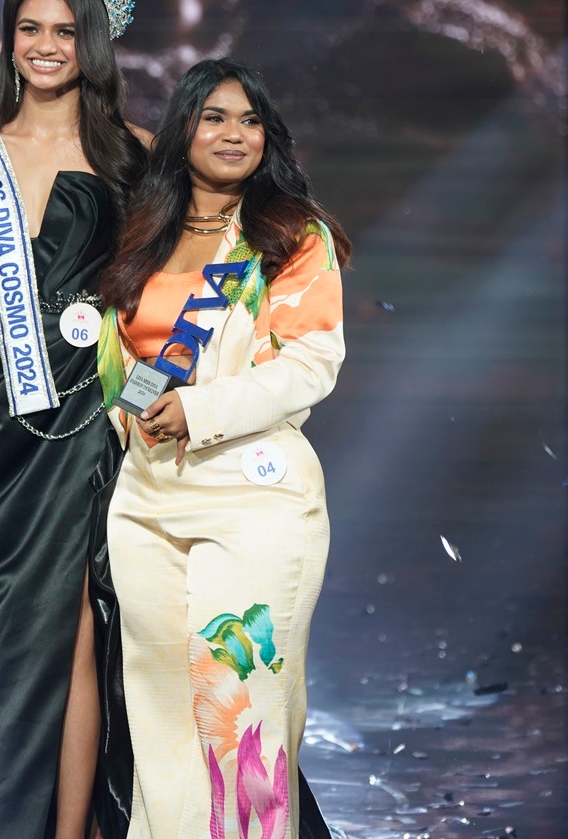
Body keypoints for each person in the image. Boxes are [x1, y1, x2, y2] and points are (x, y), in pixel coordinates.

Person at [96, 58, 351, 838]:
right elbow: (123, 354)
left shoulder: (289, 234)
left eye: (250, 120)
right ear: (183, 130)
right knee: (162, 723)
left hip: (252, 498)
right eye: (214, 117)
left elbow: (311, 365)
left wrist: (199, 409)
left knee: (235, 711)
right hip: (146, 499)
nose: (234, 133)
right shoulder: (146, 228)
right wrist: (132, 418)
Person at [0, 0, 148, 839]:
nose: (47, 45)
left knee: (82, 628)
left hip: (91, 407)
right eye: (30, 28)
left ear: (91, 43)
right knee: (19, 635)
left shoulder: (135, 153)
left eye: (66, 30)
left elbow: (164, 285)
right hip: (4, 411)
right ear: (8, 37)